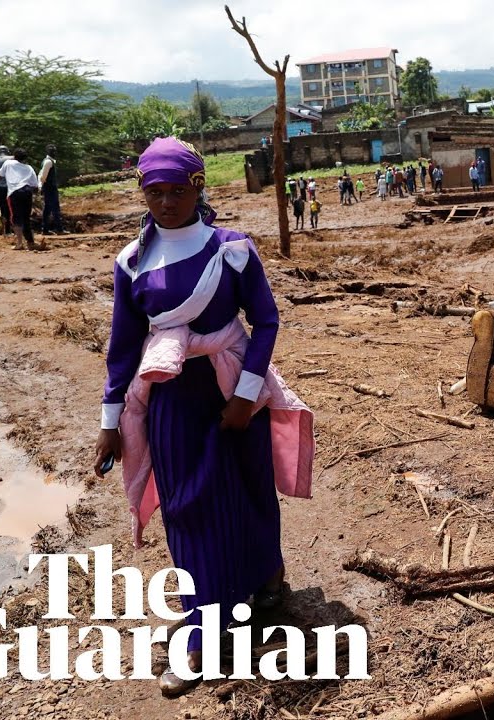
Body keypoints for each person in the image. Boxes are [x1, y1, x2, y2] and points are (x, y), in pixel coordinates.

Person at [93, 137, 311, 697]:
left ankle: (266, 573)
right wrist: (111, 422)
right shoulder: (132, 262)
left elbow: (265, 321)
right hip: (172, 399)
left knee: (249, 487)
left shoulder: (232, 250)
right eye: (154, 192)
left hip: (233, 386)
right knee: (186, 508)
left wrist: (244, 396)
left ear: (198, 188)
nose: (166, 202)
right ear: (143, 192)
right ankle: (202, 634)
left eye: (176, 190)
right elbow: (123, 348)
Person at [0, 148, 41, 250]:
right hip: (27, 192)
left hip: (14, 192)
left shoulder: (8, 163)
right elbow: (35, 186)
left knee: (16, 218)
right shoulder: (29, 168)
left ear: (14, 156)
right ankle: (30, 242)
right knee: (26, 218)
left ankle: (19, 243)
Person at [39, 145, 63, 235]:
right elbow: (43, 176)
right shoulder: (48, 162)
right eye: (51, 151)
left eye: (54, 151)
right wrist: (41, 186)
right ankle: (59, 229)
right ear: (48, 152)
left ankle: (45, 229)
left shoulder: (49, 161)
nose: (53, 152)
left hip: (49, 187)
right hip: (50, 188)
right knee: (55, 208)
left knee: (48, 209)